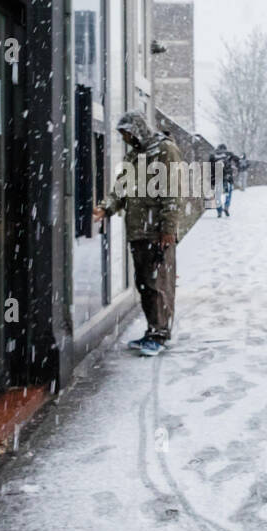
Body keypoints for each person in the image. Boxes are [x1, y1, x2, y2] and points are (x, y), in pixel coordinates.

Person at [94, 111, 182, 357]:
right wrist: (106, 207)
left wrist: (167, 229)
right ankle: (153, 329)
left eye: (128, 134)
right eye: (123, 135)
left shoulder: (164, 151)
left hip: (156, 233)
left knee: (158, 284)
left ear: (139, 130)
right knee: (144, 283)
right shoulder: (135, 155)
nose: (125, 139)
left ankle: (160, 333)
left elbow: (173, 192)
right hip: (138, 232)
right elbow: (121, 190)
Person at [208, 143, 236, 217]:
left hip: (217, 178)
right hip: (228, 178)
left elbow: (209, 167)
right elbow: (236, 159)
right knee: (228, 193)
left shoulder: (213, 155)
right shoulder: (228, 155)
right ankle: (226, 206)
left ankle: (219, 210)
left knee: (217, 195)